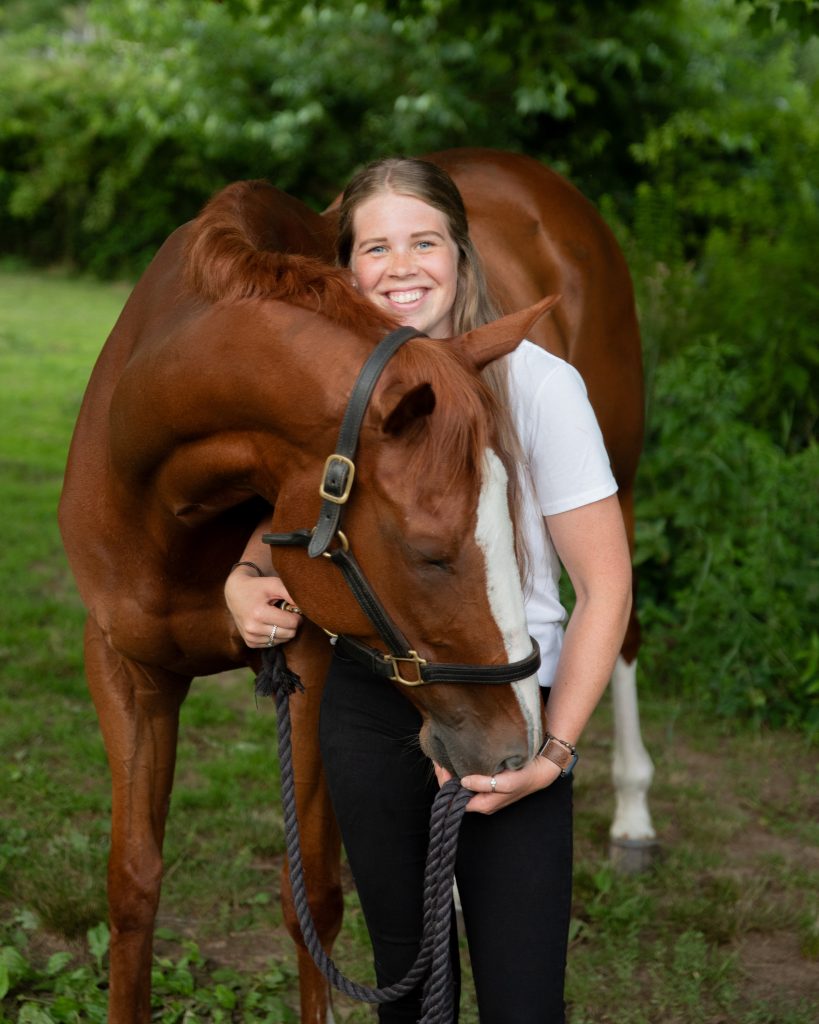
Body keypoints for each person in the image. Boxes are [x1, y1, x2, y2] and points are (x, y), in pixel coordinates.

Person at [224, 157, 632, 1023]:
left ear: (460, 253)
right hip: (372, 704)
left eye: (424, 242)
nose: (400, 266)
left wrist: (553, 752)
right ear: (346, 269)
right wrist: (244, 577)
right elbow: (295, 519)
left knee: (523, 1003)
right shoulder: (335, 396)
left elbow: (605, 588)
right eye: (375, 247)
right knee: (406, 989)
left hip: (504, 703)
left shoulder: (539, 387)